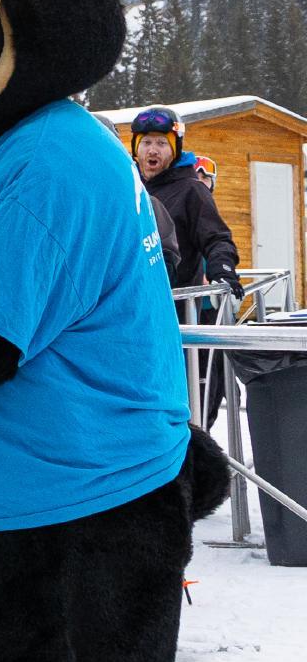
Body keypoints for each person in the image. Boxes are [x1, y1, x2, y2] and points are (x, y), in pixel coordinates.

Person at [132, 105, 239, 426]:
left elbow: (217, 237)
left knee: (186, 405)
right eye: (146, 142)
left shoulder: (191, 190)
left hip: (179, 316)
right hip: (137, 316)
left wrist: (223, 270)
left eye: (161, 143)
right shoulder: (129, 186)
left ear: (174, 148)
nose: (153, 150)